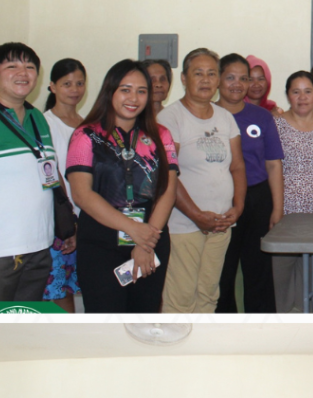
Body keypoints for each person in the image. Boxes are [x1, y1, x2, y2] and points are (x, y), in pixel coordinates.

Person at [66, 59, 179, 312]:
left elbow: (168, 191)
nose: (134, 98)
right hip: (101, 242)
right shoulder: (85, 135)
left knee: (146, 317)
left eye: (141, 91)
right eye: (125, 89)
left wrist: (144, 241)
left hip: (152, 236)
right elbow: (82, 194)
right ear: (110, 91)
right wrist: (133, 230)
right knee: (105, 319)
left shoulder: (161, 135)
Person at [0, 42, 58, 301]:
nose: (23, 73)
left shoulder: (36, 117)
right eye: (12, 66)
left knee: (18, 328)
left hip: (37, 246)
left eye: (29, 67)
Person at [160, 47, 246, 313]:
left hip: (221, 224)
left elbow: (237, 167)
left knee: (209, 295)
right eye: (199, 73)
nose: (206, 80)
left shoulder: (225, 118)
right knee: (180, 298)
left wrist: (237, 208)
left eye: (212, 73)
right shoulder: (170, 118)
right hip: (183, 225)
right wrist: (197, 215)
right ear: (184, 78)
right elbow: (167, 174)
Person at [215, 54, 284, 313]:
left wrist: (277, 209)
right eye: (230, 77)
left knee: (259, 271)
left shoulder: (262, 117)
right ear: (218, 79)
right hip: (221, 200)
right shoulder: (208, 115)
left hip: (258, 199)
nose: (238, 84)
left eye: (243, 78)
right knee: (222, 272)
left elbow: (273, 164)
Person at [272, 71, 313, 312]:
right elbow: (271, 167)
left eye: (308, 91)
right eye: (295, 91)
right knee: (283, 283)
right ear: (287, 95)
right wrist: (276, 211)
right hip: (285, 216)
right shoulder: (275, 125)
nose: (302, 97)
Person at [42, 58, 86, 312]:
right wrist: (69, 219)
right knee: (58, 292)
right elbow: (51, 172)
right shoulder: (44, 123)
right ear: (52, 87)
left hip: (89, 218)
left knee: (84, 285)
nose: (74, 89)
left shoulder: (89, 123)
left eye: (79, 83)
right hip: (61, 221)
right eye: (67, 83)